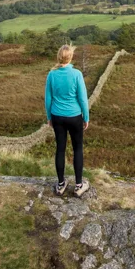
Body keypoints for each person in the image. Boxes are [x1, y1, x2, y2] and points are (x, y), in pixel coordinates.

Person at [45, 43, 90, 196]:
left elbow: (48, 99)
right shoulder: (76, 74)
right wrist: (86, 117)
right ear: (70, 57)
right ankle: (78, 186)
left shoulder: (52, 75)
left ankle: (61, 184)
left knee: (60, 149)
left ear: (59, 57)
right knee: (78, 149)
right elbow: (83, 99)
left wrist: (49, 117)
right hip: (74, 116)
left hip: (57, 116)